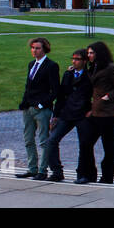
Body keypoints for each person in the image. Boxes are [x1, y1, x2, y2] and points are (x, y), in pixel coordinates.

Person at [75, 41, 114, 185]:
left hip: (108, 114)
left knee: (108, 146)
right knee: (86, 143)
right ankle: (89, 175)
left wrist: (108, 96)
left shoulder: (110, 68)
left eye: (92, 53)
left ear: (99, 53)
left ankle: (107, 177)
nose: (89, 55)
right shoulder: (93, 67)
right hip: (95, 113)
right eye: (88, 53)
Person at [43, 50, 92, 182]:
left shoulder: (90, 75)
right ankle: (57, 171)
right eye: (73, 58)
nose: (74, 61)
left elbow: (95, 94)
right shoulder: (68, 74)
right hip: (67, 113)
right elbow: (61, 96)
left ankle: (82, 174)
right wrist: (55, 116)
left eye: (77, 59)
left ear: (84, 61)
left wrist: (92, 110)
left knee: (84, 145)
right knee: (51, 141)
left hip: (83, 115)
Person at [17, 37, 60, 180]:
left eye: (37, 48)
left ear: (45, 49)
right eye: (33, 48)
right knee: (28, 140)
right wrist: (24, 104)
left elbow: (55, 91)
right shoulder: (31, 64)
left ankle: (43, 170)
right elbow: (28, 87)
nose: (34, 50)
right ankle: (32, 168)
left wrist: (41, 105)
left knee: (43, 141)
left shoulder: (51, 66)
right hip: (28, 108)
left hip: (42, 109)